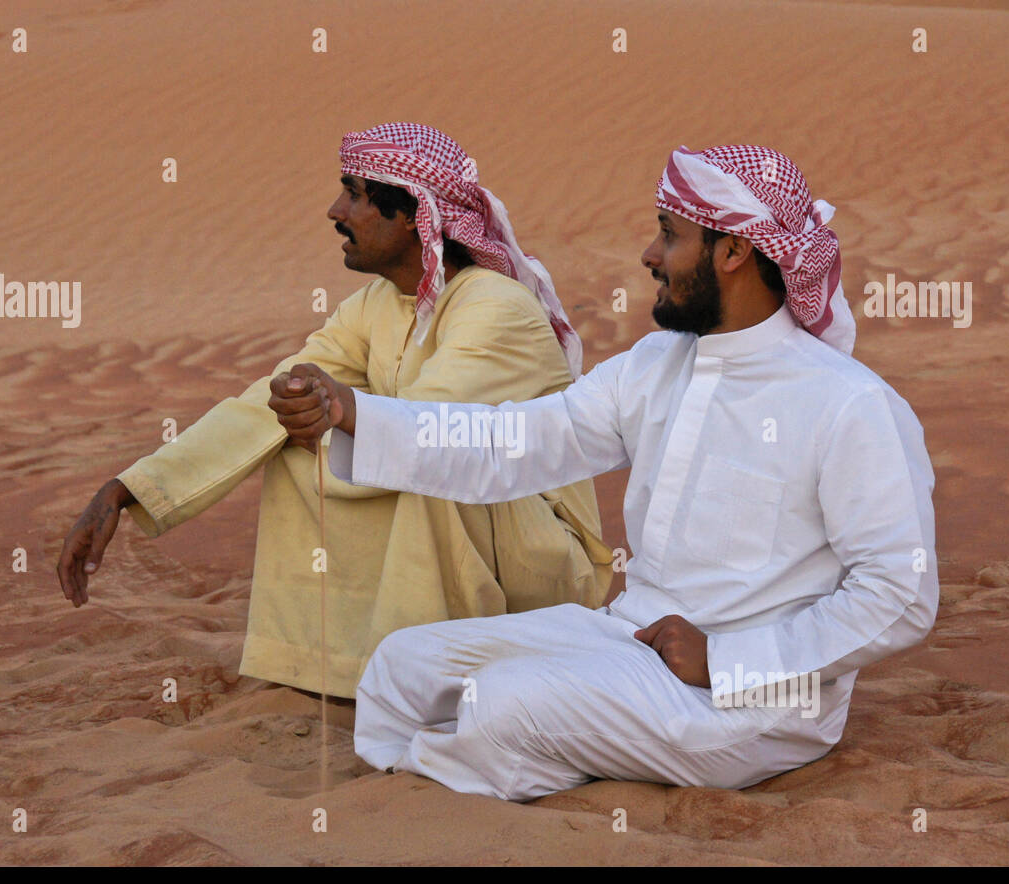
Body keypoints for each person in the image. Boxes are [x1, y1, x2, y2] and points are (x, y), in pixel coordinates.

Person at [278, 144, 939, 799]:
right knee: (401, 666)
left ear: (733, 253)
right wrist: (355, 412)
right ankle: (499, 758)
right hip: (629, 637)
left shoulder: (850, 404)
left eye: (669, 236)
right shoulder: (655, 364)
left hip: (751, 703)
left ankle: (450, 787)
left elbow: (900, 592)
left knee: (504, 702)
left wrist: (727, 661)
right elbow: (515, 443)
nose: (651, 256)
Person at [56, 123, 612, 699]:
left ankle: (419, 688)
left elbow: (432, 432)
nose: (334, 210)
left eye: (354, 193)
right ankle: (325, 668)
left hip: (546, 565)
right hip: (472, 528)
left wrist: (343, 408)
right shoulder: (374, 306)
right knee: (291, 443)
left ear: (410, 214)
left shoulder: (496, 307)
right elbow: (265, 403)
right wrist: (127, 489)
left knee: (435, 471)